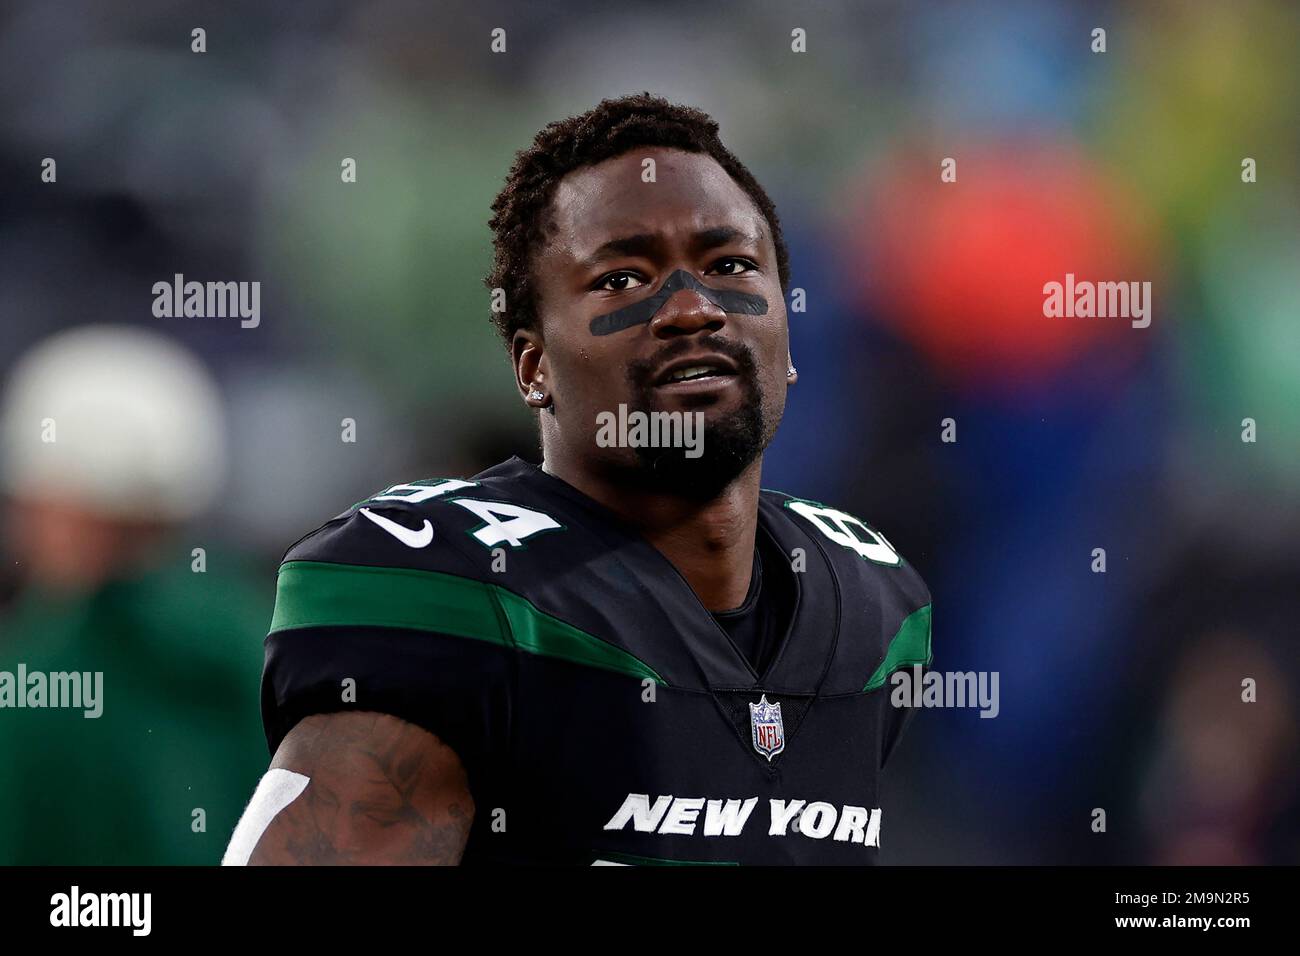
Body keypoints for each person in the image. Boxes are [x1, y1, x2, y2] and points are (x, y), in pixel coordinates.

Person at [229, 93, 931, 866]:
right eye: (623, 279)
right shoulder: (465, 597)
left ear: (790, 338)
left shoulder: (870, 604)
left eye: (729, 265)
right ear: (533, 368)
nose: (693, 308)